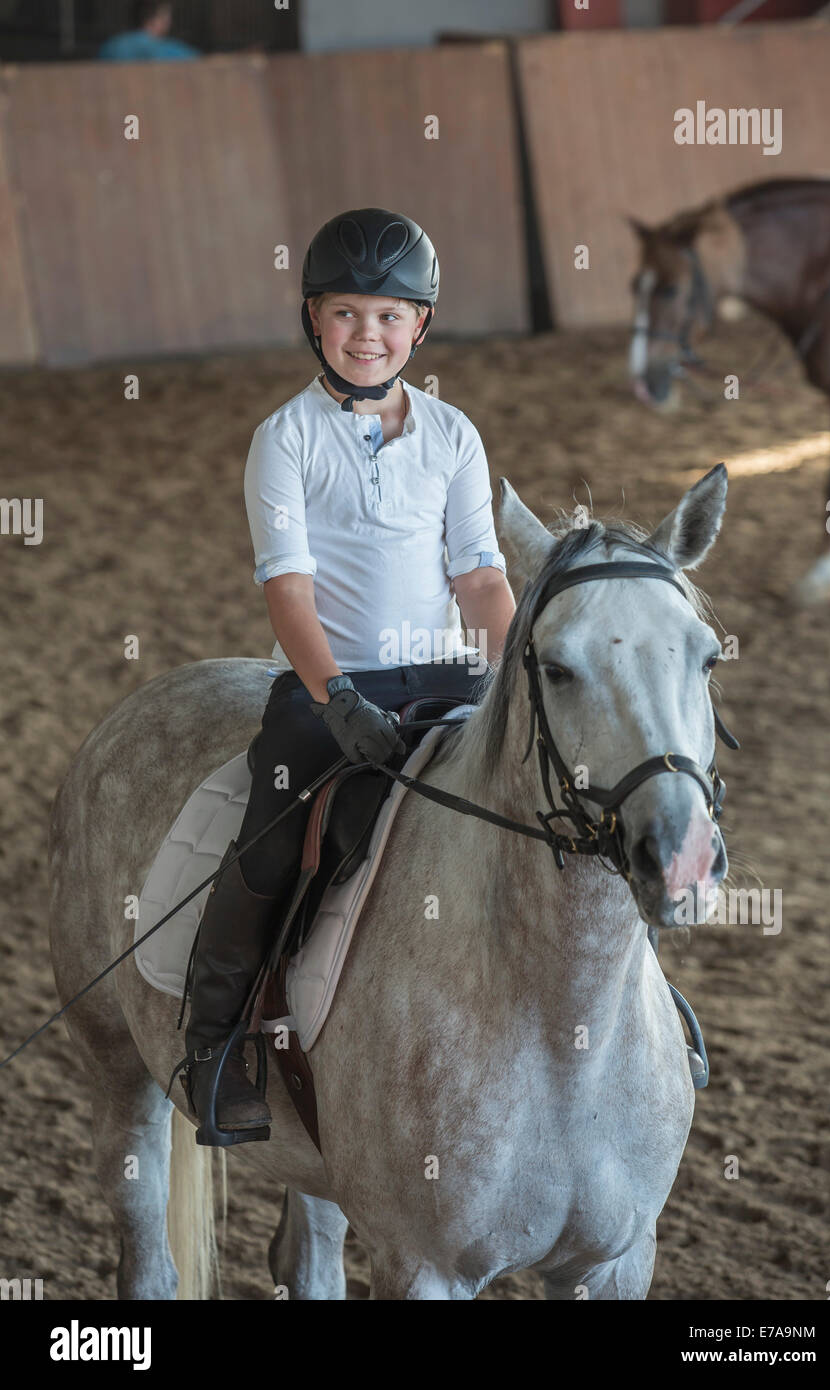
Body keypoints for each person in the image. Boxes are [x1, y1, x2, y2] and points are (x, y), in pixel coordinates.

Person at [176, 207, 516, 1144]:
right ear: (313, 320)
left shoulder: (454, 435)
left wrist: (506, 675)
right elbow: (290, 593)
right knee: (273, 838)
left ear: (421, 327)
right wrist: (337, 698)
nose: (368, 334)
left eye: (389, 316)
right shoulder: (282, 438)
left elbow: (481, 577)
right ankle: (214, 1047)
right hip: (331, 687)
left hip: (446, 675)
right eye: (347, 315)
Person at [99, 1, 200, 62]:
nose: (170, 22)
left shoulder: (111, 47)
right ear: (155, 19)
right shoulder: (168, 50)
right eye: (167, 17)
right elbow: (199, 61)